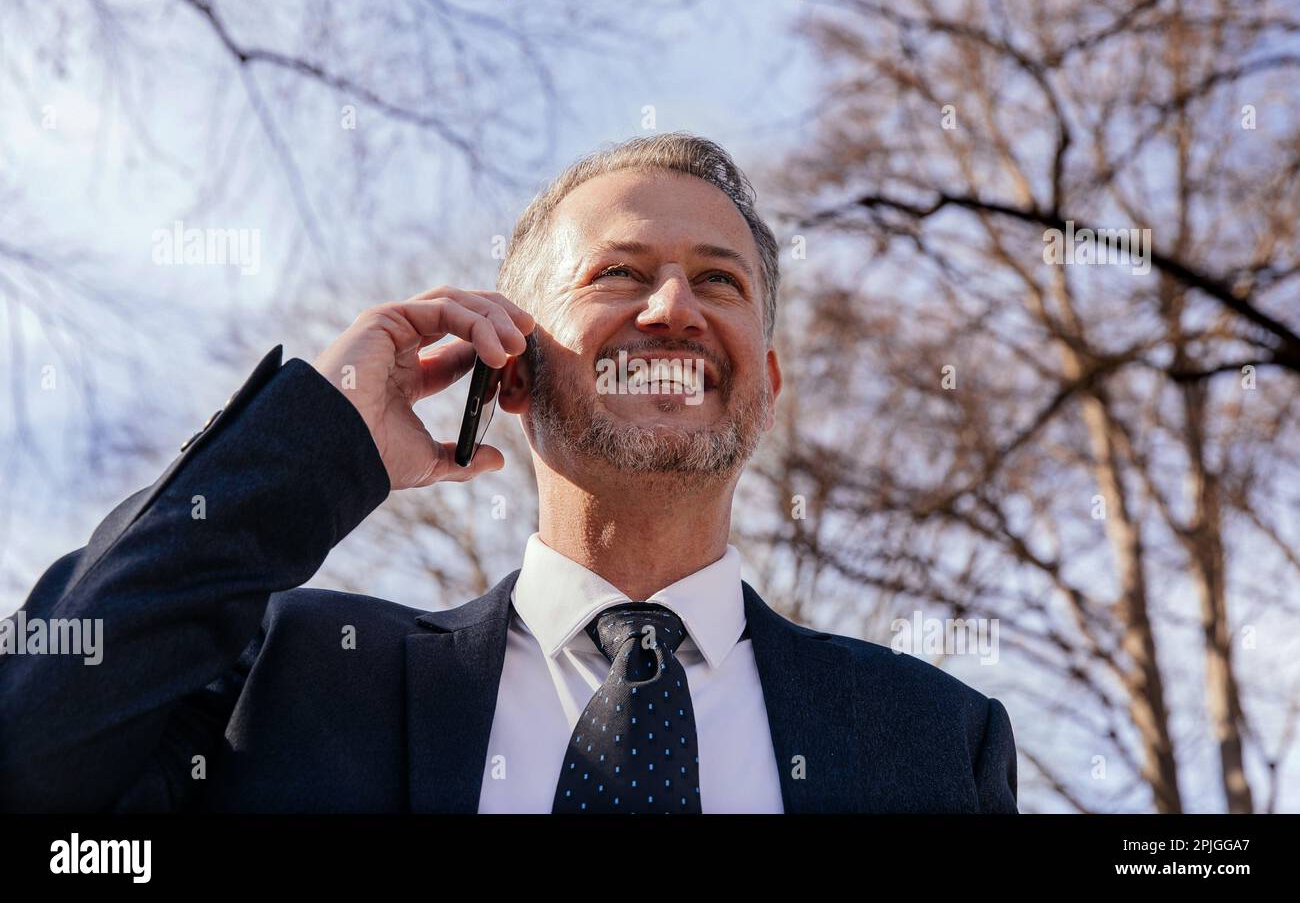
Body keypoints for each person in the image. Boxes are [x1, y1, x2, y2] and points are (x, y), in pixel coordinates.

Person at [0, 132, 1017, 813]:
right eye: (619, 272)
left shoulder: (932, 740)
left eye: (719, 277)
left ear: (767, 379)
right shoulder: (291, 676)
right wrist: (312, 436)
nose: (674, 306)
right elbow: (30, 752)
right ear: (514, 368)